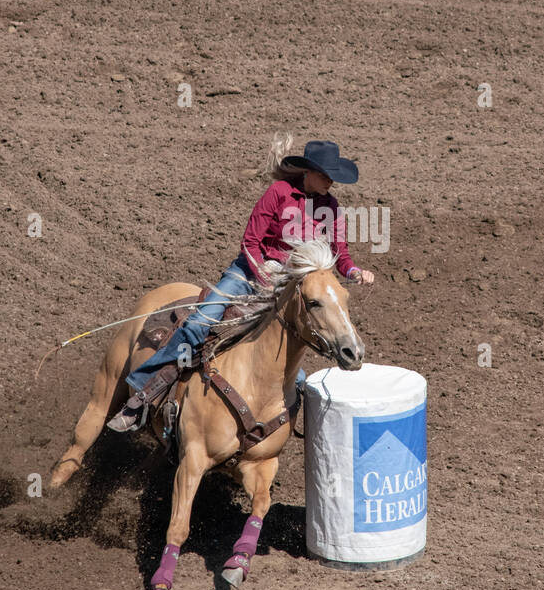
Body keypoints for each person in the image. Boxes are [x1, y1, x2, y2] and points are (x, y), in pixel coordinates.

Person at [108, 137, 375, 432]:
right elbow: (251, 241)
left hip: (289, 287)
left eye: (332, 177)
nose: (330, 183)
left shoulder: (332, 207)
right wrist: (263, 279)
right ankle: (141, 395)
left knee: (292, 355)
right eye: (325, 175)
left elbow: (342, 255)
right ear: (308, 172)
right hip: (250, 272)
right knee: (198, 324)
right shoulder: (279, 192)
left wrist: (353, 273)